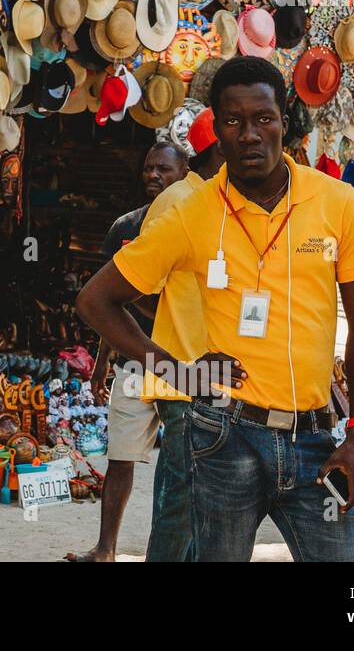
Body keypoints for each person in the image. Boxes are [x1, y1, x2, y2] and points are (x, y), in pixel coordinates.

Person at [77, 57, 354, 562]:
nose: (250, 134)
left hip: (313, 445)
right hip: (222, 439)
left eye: (263, 118)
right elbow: (95, 300)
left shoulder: (338, 204)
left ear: (284, 118)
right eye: (234, 121)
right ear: (216, 128)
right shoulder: (190, 212)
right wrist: (176, 372)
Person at [67, 141, 188, 562]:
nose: (154, 175)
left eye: (165, 170)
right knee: (120, 457)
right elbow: (108, 308)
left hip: (181, 367)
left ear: (185, 175)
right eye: (150, 168)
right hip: (134, 364)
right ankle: (106, 548)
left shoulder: (197, 226)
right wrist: (101, 366)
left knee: (181, 465)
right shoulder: (125, 228)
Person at [140, 107, 225, 561]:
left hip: (215, 376)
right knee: (181, 501)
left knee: (199, 497)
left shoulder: (222, 201)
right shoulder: (178, 200)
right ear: (217, 152)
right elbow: (135, 283)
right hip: (184, 375)